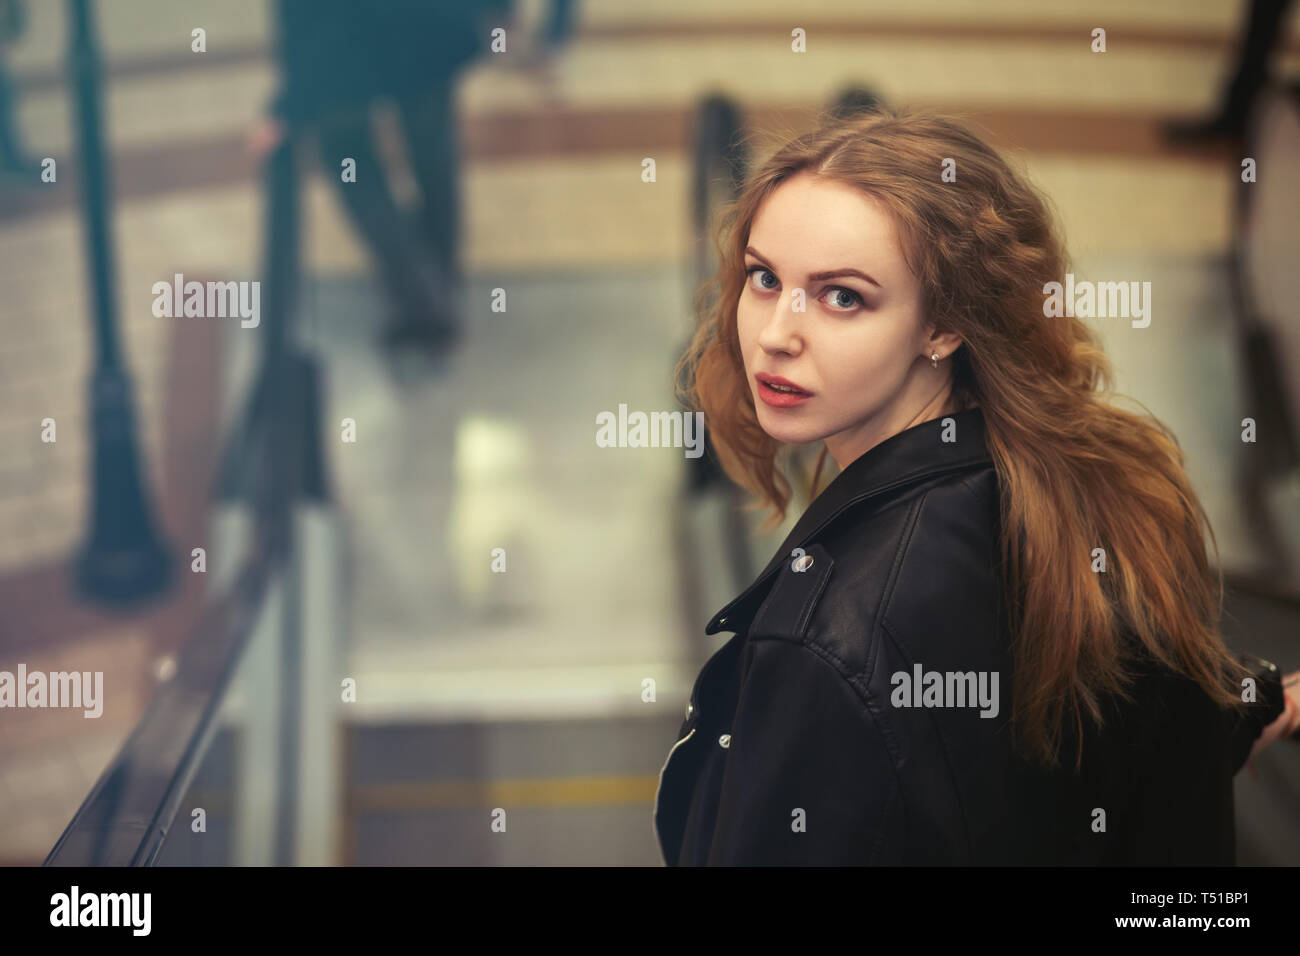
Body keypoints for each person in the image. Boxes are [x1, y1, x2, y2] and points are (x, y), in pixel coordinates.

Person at [657, 108, 1300, 866]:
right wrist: (1254, 705)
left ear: (944, 325)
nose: (775, 334)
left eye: (843, 297)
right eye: (765, 279)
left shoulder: (822, 648)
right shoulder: (1104, 487)